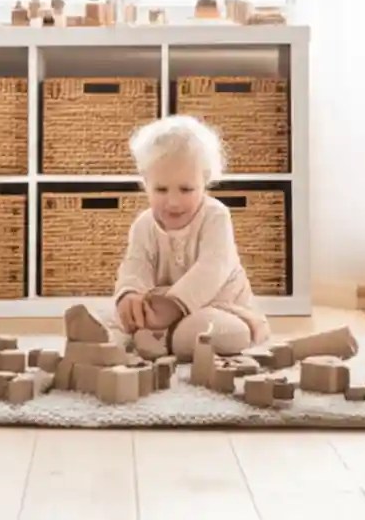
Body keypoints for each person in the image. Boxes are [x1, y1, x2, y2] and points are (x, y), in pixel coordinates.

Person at [111, 115, 270, 360]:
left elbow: (212, 268)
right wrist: (130, 295)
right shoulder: (144, 224)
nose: (173, 202)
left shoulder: (216, 216)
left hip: (221, 309)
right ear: (145, 184)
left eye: (186, 189)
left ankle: (159, 338)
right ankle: (147, 336)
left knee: (207, 330)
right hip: (158, 309)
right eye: (161, 189)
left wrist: (174, 305)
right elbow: (135, 265)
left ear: (205, 182)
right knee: (112, 314)